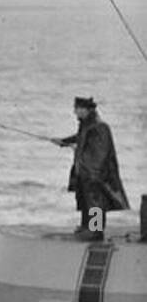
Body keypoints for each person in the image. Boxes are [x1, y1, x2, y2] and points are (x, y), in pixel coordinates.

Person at [52, 97, 128, 240]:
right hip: (85, 171)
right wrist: (63, 141)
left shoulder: (100, 126)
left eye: (77, 109)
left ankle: (96, 230)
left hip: (95, 173)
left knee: (95, 202)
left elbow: (101, 153)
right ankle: (86, 227)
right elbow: (80, 138)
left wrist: (92, 173)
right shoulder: (87, 125)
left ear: (86, 110)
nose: (75, 112)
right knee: (85, 200)